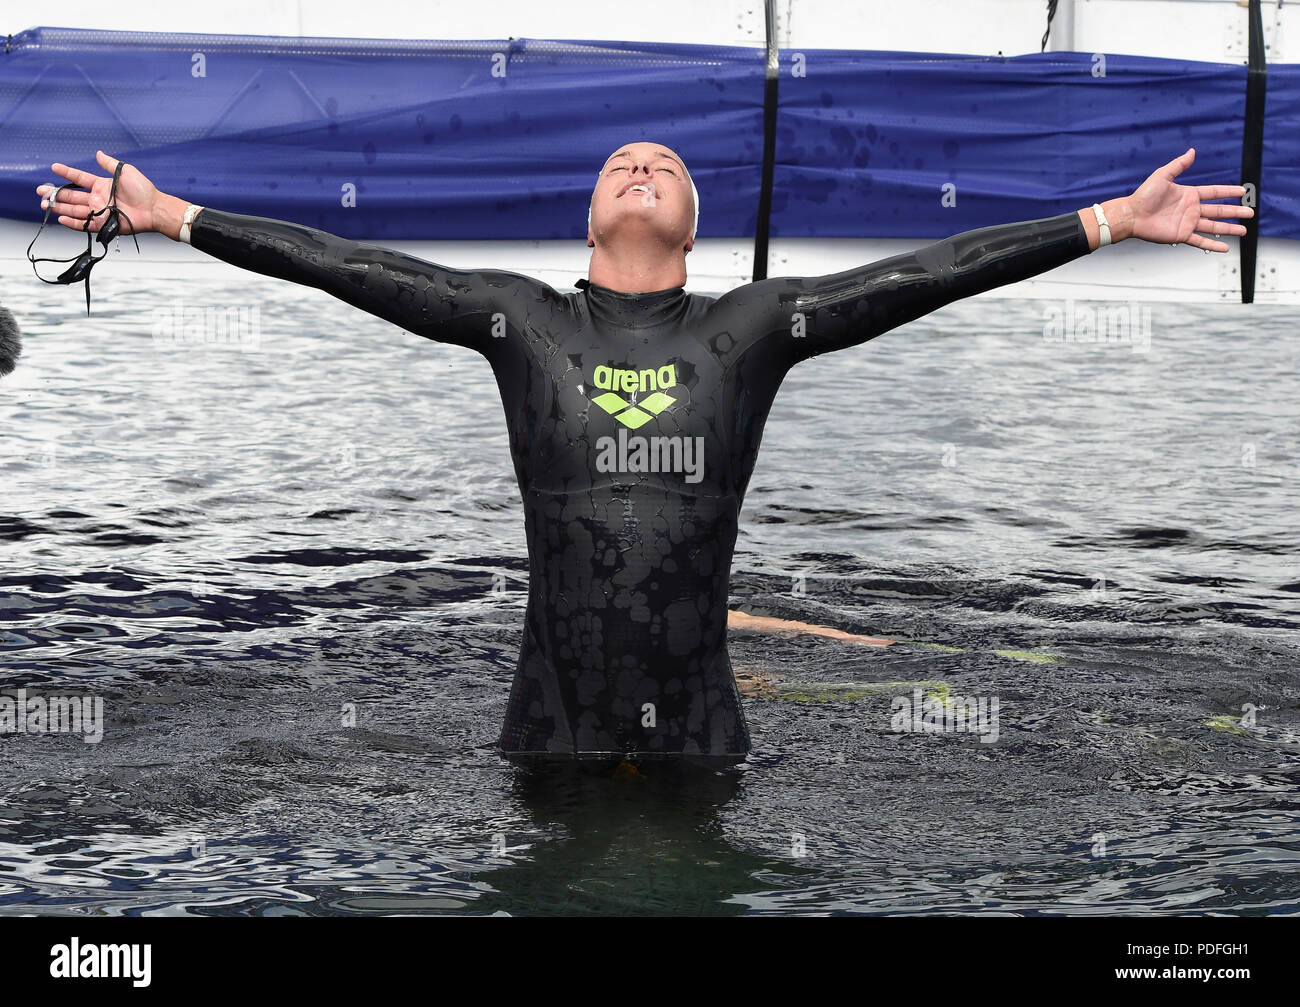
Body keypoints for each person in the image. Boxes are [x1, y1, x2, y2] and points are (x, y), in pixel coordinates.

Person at [35, 143, 1252, 764]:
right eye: (620, 164)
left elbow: (926, 271)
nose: (639, 167)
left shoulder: (753, 327)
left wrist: (1108, 220)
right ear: (589, 216)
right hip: (542, 730)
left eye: (665, 167)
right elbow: (354, 265)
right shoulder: (517, 317)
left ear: (689, 226)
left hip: (705, 742)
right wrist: (174, 215)